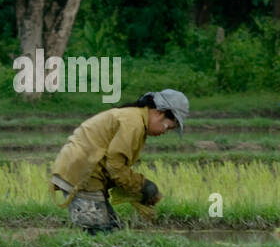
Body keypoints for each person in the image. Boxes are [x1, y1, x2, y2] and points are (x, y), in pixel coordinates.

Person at [49, 89, 190, 234]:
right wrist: (141, 185)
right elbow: (115, 166)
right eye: (168, 126)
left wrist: (139, 189)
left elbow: (114, 165)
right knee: (99, 232)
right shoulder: (133, 123)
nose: (164, 132)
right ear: (159, 112)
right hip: (83, 173)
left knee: (112, 228)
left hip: (88, 172)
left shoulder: (135, 120)